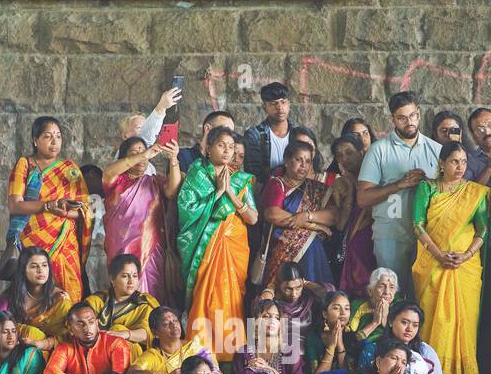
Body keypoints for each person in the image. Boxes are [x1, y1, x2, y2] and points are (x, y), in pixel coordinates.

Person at [410, 140, 488, 374]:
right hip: (433, 263)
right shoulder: (427, 188)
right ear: (442, 163)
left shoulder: (475, 192)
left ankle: (463, 372)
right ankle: (433, 373)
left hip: (465, 265)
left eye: (464, 162)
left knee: (465, 315)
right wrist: (437, 253)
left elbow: (483, 229)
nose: (460, 166)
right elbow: (417, 224)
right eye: (455, 161)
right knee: (435, 316)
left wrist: (465, 255)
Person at [177, 125, 257, 360]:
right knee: (207, 297)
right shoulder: (196, 176)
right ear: (208, 148)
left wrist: (230, 192)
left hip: (234, 249)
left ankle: (231, 357)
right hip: (206, 249)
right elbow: (188, 212)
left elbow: (253, 218)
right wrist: (218, 193)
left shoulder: (241, 180)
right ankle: (201, 356)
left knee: (231, 300)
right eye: (221, 145)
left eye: (231, 147)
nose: (227, 151)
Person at [356, 91, 442, 292]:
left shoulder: (436, 149)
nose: (409, 122)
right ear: (392, 119)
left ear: (419, 114)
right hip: (390, 234)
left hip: (429, 235)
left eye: (412, 116)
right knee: (391, 295)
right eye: (402, 118)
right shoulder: (379, 150)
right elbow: (362, 198)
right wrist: (398, 185)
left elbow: (449, 191)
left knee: (425, 296)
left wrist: (428, 184)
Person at [9, 116, 92, 301]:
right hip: (34, 240)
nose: (54, 142)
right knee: (35, 293)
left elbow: (84, 210)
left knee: (70, 293)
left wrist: (64, 213)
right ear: (35, 140)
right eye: (48, 136)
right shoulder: (26, 165)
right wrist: (48, 207)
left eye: (58, 136)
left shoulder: (70, 168)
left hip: (66, 240)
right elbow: (15, 206)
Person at [101, 137, 182, 303]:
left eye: (144, 152)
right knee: (123, 287)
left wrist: (174, 160)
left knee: (152, 294)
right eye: (135, 152)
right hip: (121, 249)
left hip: (151, 249)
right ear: (125, 158)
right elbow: (109, 172)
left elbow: (172, 191)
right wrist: (144, 153)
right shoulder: (116, 182)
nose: (142, 157)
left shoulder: (153, 181)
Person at [259, 140, 339, 288]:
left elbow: (333, 215)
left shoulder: (317, 189)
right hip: (282, 254)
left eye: (308, 161)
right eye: (298, 159)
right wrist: (313, 226)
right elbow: (272, 214)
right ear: (287, 161)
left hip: (315, 256)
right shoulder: (277, 184)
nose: (303, 165)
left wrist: (307, 216)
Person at [126, 306, 222, 374]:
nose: (174, 325)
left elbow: (216, 373)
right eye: (166, 324)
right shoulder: (153, 355)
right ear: (155, 332)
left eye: (175, 321)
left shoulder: (194, 347)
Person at [83, 253, 159, 362]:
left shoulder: (144, 303)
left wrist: (123, 334)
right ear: (112, 279)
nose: (131, 281)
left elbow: (147, 334)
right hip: (97, 351)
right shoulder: (98, 300)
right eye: (125, 276)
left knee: (118, 329)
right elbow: (82, 324)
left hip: (133, 356)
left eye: (134, 276)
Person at [4, 244, 73, 356]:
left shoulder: (61, 299)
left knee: (32, 335)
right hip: (19, 347)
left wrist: (40, 343)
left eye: (44, 265)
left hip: (54, 352)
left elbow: (66, 337)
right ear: (23, 270)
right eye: (34, 266)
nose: (41, 270)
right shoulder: (13, 294)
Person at [328, 133, 375, 294]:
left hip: (373, 237)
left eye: (349, 152)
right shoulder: (339, 185)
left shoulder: (376, 178)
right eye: (339, 155)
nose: (345, 158)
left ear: (361, 153)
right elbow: (340, 225)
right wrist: (349, 190)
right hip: (351, 242)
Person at [242, 82, 294, 188]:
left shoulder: (299, 134)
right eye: (273, 103)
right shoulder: (254, 136)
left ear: (289, 105)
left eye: (283, 102)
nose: (279, 107)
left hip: (296, 191)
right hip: (266, 193)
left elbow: (313, 166)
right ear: (264, 107)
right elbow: (254, 175)